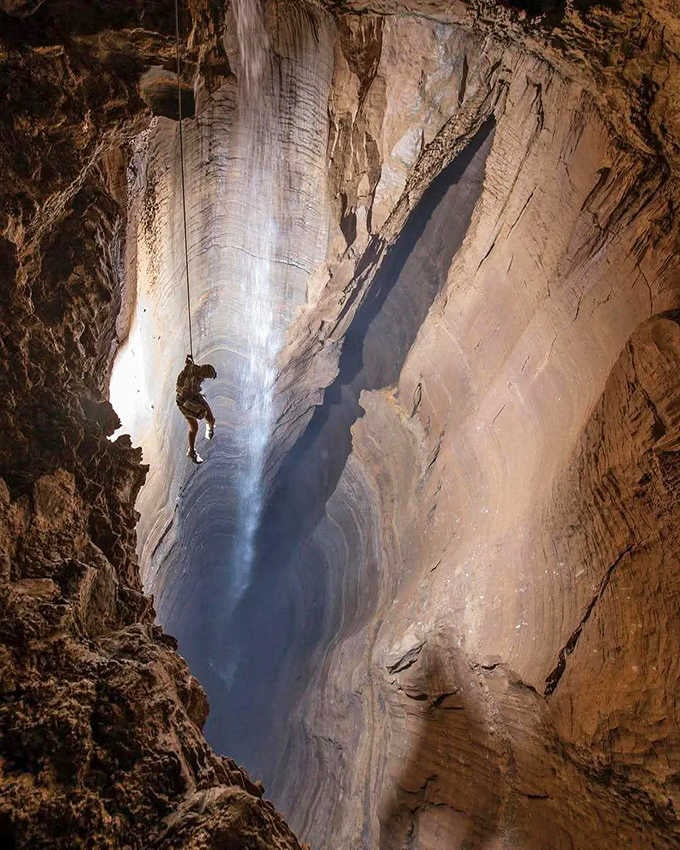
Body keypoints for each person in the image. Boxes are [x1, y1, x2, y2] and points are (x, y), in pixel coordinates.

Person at [176, 354, 216, 463]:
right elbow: (183, 392)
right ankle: (192, 451)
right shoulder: (191, 379)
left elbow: (188, 367)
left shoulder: (195, 370)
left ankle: (210, 427)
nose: (204, 380)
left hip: (191, 397)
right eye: (204, 377)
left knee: (207, 420)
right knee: (196, 425)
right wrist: (199, 410)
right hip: (185, 401)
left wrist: (189, 362)